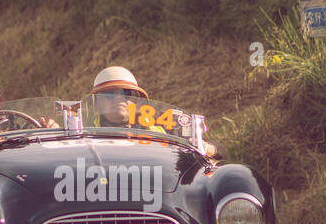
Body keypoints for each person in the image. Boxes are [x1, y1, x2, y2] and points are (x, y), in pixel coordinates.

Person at [88, 66, 224, 159]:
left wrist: (206, 148)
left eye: (127, 93)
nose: (119, 98)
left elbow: (221, 151)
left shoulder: (161, 127)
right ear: (96, 104)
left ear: (136, 100)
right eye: (109, 94)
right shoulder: (84, 135)